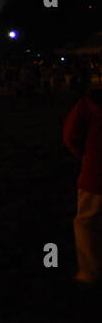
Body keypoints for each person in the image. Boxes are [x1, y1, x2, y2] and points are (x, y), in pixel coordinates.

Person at [63, 78, 102, 284]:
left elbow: (70, 135)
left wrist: (86, 157)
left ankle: (90, 271)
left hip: (96, 174)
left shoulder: (89, 104)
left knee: (87, 221)